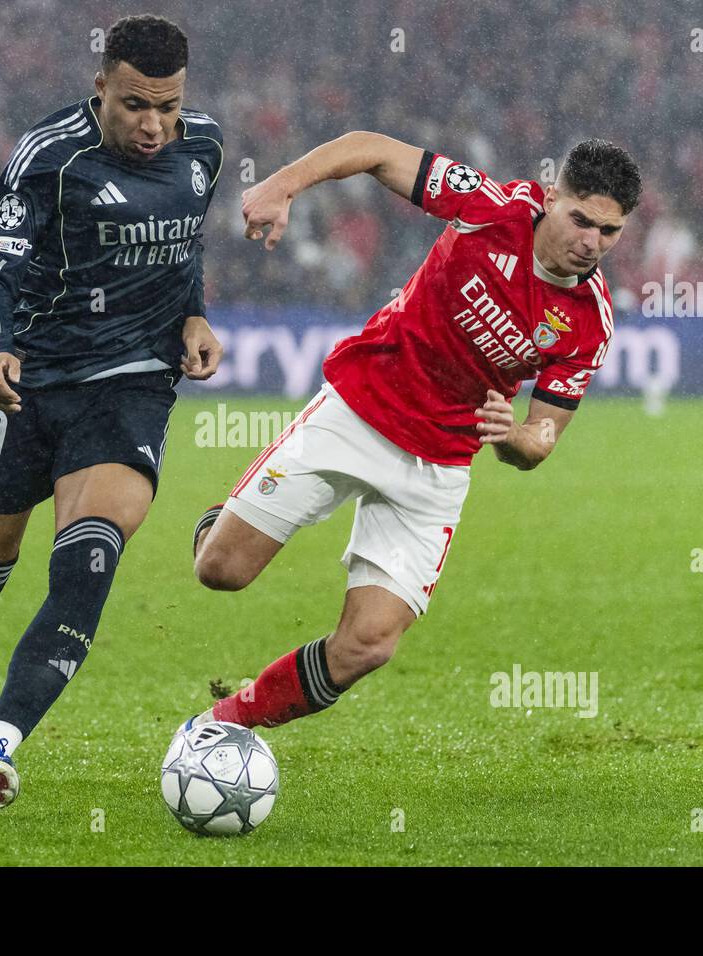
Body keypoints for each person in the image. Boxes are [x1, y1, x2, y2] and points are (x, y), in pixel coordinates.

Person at [184, 132, 639, 731]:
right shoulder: (488, 207)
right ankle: (228, 520)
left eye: (609, 232)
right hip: (360, 409)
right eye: (581, 219)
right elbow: (372, 150)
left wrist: (513, 437)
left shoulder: (589, 322)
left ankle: (224, 725)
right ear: (552, 197)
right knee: (221, 571)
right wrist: (283, 184)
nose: (590, 242)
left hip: (439, 467)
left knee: (367, 645)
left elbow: (541, 442)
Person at [0, 14, 224, 817]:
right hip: (27, 382)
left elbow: (185, 244)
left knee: (88, 561)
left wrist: (193, 316)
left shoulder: (205, 149)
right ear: (100, 88)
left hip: (130, 386)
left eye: (167, 106)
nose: (154, 125)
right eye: (134, 105)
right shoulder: (50, 158)